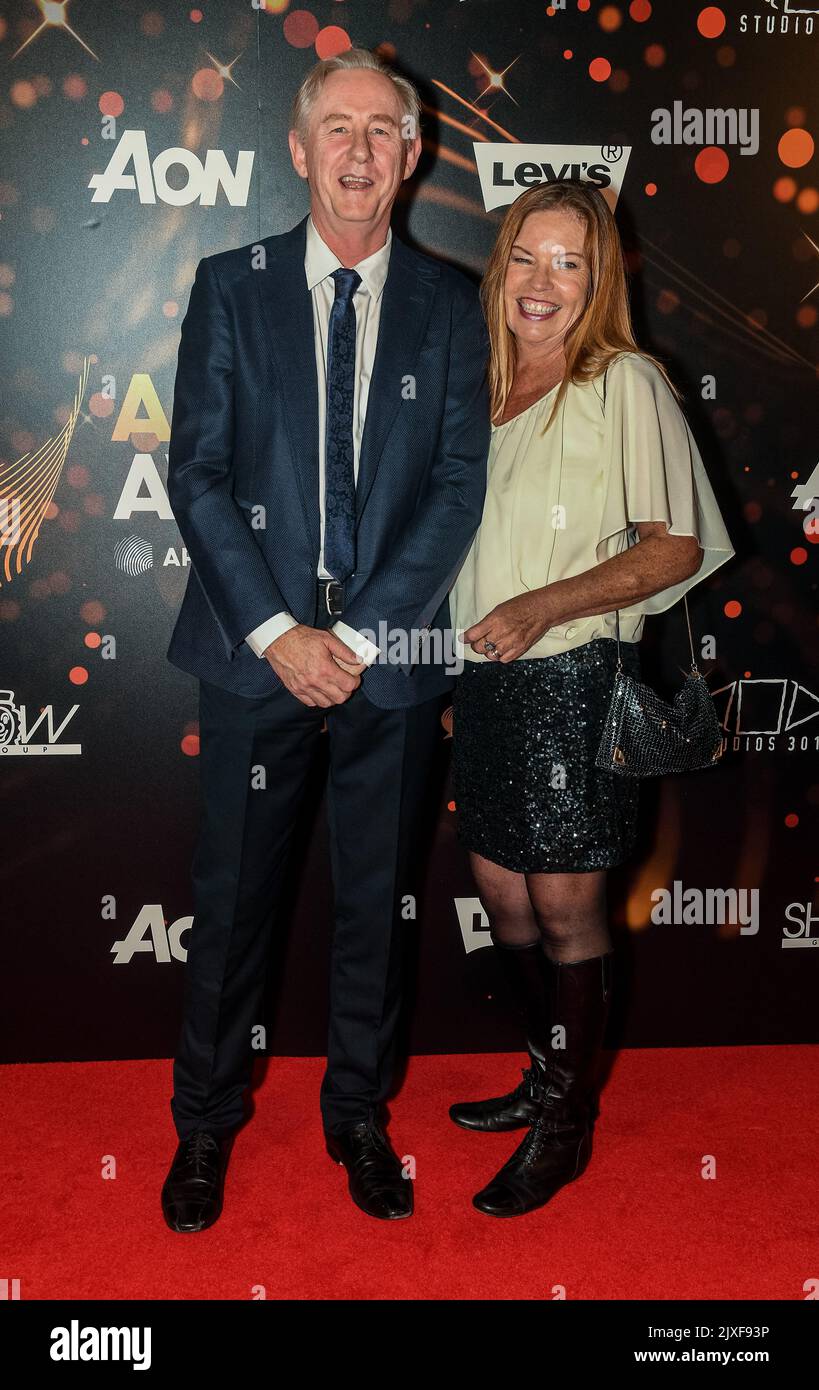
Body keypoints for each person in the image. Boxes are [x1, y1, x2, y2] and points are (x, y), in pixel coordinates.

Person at [161, 47, 489, 1229]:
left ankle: (357, 1114)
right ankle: (204, 1126)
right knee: (234, 899)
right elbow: (193, 471)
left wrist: (354, 636)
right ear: (299, 152)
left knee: (375, 906)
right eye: (335, 128)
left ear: (413, 155)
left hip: (389, 667)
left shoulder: (454, 304)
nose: (358, 150)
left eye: (382, 129)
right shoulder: (230, 283)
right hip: (253, 659)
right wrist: (277, 633)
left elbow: (457, 486)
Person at [448, 180, 735, 1218]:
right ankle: (545, 1075)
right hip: (484, 679)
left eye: (567, 262)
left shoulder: (624, 383)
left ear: (597, 278)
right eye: (526, 256)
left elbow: (677, 546)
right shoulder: (473, 384)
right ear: (502, 265)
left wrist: (540, 605)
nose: (541, 282)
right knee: (506, 903)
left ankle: (566, 1126)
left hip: (572, 675)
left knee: (567, 911)